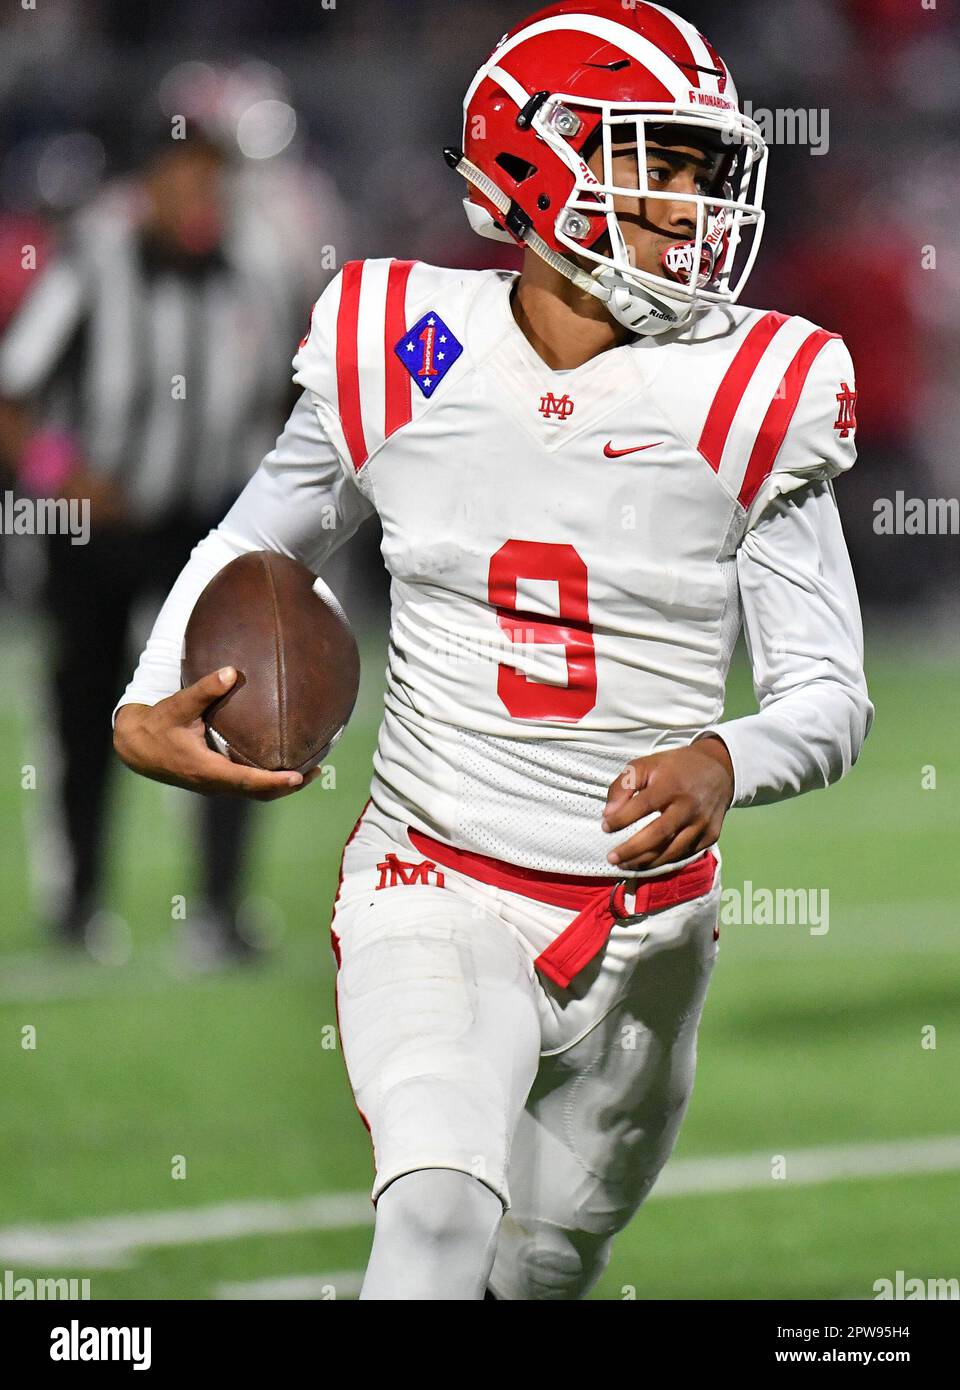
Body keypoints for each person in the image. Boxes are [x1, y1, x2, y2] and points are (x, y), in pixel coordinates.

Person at [113, 0, 873, 1298]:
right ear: (534, 163)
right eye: (658, 166)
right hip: (437, 878)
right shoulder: (402, 339)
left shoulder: (761, 384)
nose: (695, 209)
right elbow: (262, 543)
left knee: (545, 1262)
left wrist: (724, 758)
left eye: (706, 173)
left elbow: (828, 696)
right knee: (435, 1222)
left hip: (653, 925)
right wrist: (149, 694)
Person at [0, 126, 330, 963]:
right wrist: (59, 475)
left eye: (209, 189)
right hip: (102, 528)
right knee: (87, 712)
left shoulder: (255, 267)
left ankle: (219, 912)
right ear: (147, 187)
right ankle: (79, 907)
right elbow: (12, 392)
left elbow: (296, 396)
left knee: (236, 712)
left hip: (206, 526)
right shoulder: (92, 262)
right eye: (181, 186)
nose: (196, 206)